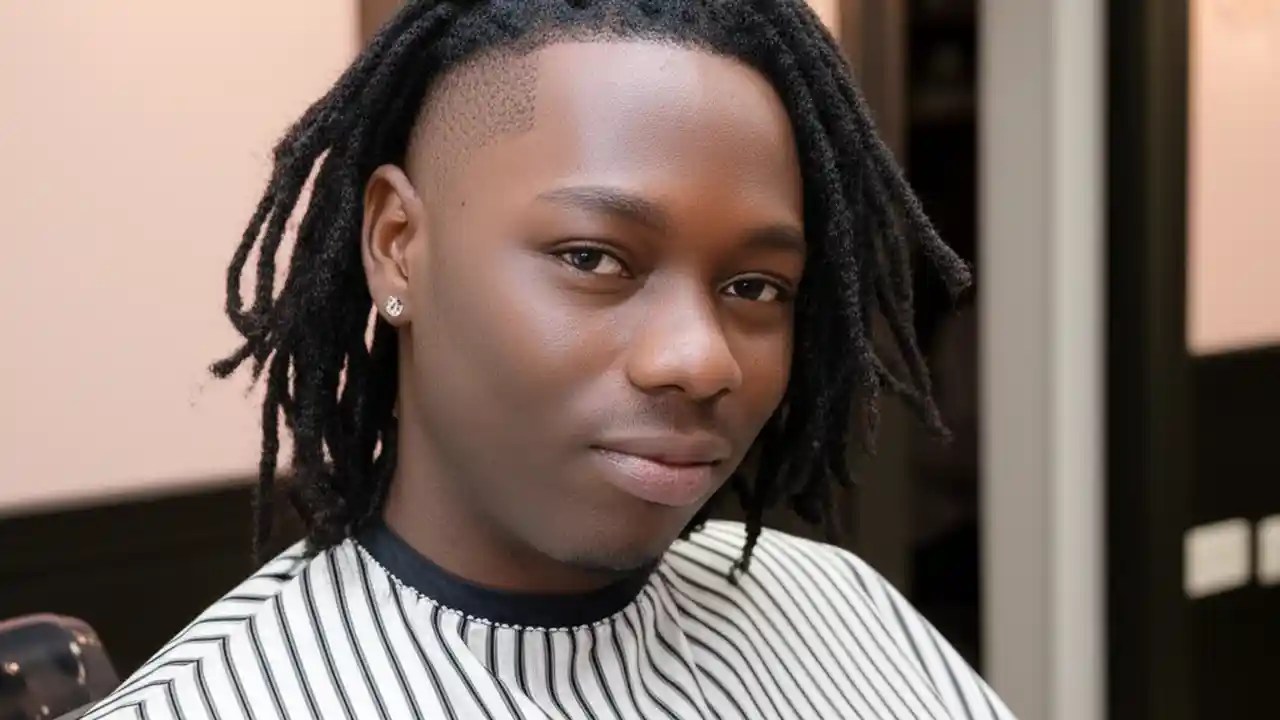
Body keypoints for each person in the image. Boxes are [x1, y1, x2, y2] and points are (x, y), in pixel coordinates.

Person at [85, 1, 1014, 718]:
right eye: (593, 259)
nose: (702, 360)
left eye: (755, 287)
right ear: (398, 244)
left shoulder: (836, 609)